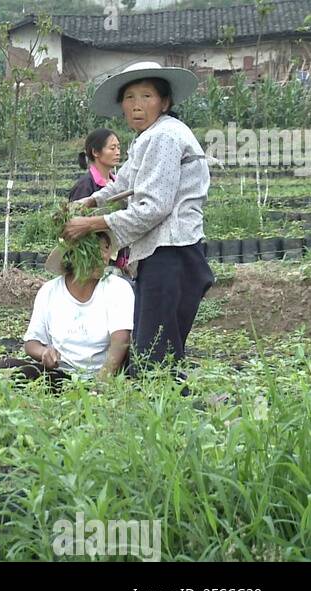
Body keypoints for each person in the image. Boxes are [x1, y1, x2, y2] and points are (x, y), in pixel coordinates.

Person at [62, 61, 213, 380]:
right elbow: (125, 180)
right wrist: (91, 199)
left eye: (146, 96)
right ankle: (172, 414)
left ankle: (170, 418)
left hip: (172, 253)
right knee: (158, 350)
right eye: (130, 97)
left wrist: (90, 224)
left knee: (154, 355)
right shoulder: (151, 137)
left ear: (165, 102)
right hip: (164, 255)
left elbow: (153, 207)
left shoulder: (165, 137)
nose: (137, 105)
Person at [0, 230, 134, 389]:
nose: (104, 257)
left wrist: (100, 384)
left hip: (106, 377)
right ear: (73, 255)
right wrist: (44, 352)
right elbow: (31, 343)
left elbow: (121, 340)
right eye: (95, 250)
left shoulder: (117, 288)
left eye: (106, 249)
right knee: (7, 367)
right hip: (63, 376)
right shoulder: (50, 291)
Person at [69, 129, 132, 275]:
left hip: (119, 260)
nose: (117, 152)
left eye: (118, 147)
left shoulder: (118, 185)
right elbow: (76, 226)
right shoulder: (85, 185)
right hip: (94, 264)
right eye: (112, 148)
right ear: (96, 152)